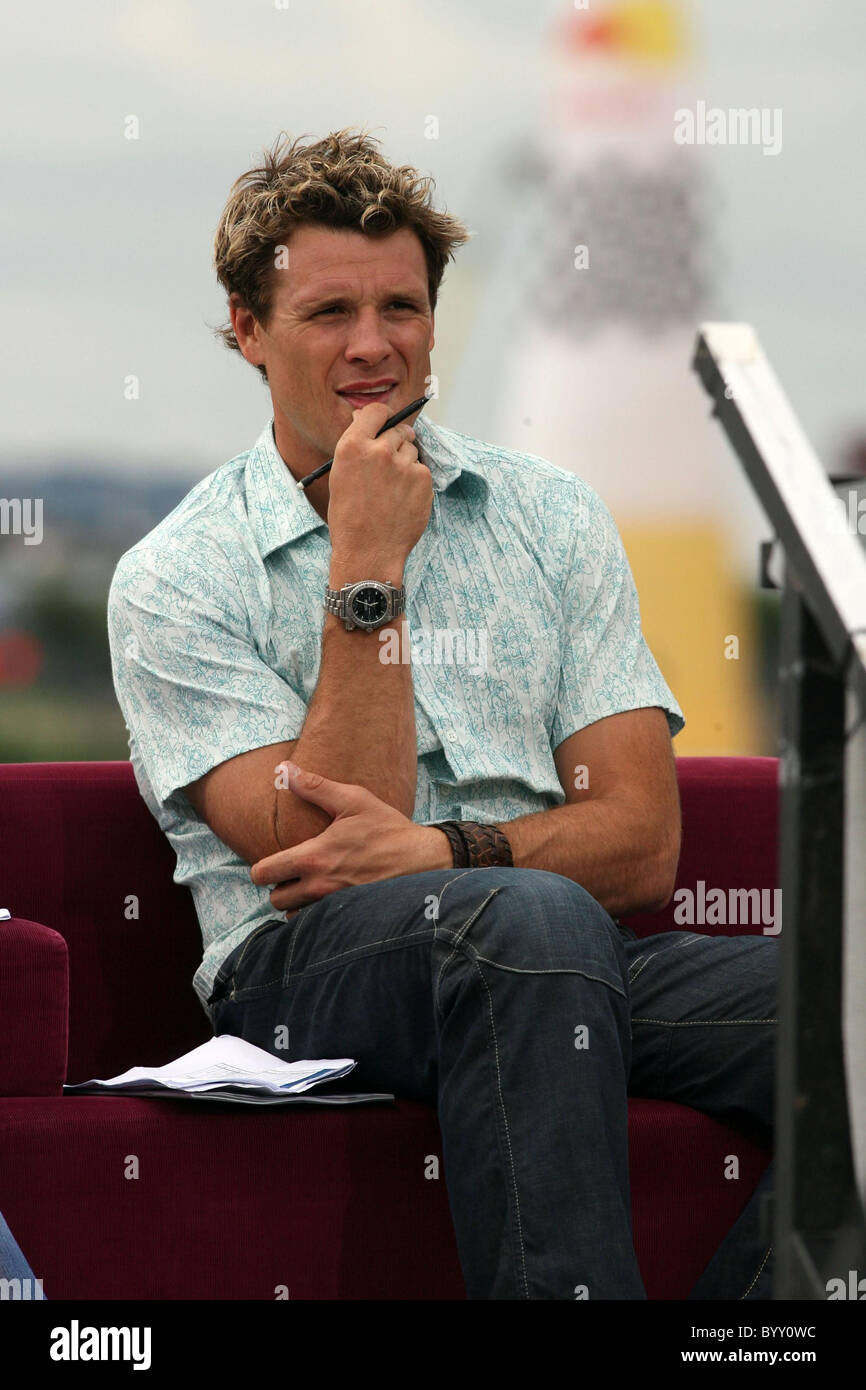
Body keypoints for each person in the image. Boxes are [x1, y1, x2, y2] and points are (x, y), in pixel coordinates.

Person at [107, 127, 777, 1300]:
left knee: (831, 1002)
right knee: (524, 922)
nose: (374, 346)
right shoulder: (176, 574)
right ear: (247, 329)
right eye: (327, 313)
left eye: (401, 307)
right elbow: (327, 854)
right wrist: (366, 563)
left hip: (569, 957)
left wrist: (453, 849)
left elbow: (641, 842)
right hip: (299, 981)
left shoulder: (549, 514)